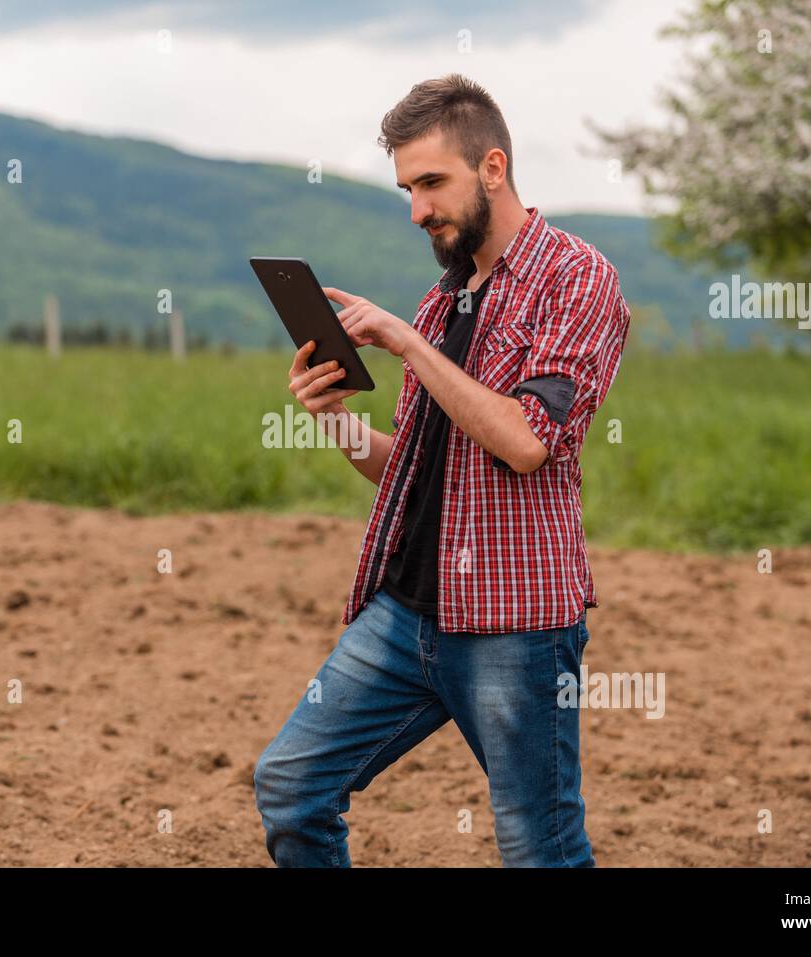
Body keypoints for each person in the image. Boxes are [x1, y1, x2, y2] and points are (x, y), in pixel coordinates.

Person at [254, 73, 631, 867]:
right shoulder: (445, 298)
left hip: (516, 627)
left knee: (541, 847)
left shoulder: (579, 280)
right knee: (292, 786)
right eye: (406, 189)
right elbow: (416, 472)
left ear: (493, 168)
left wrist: (408, 345)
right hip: (405, 615)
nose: (417, 209)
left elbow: (528, 439)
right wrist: (334, 420)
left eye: (431, 183)